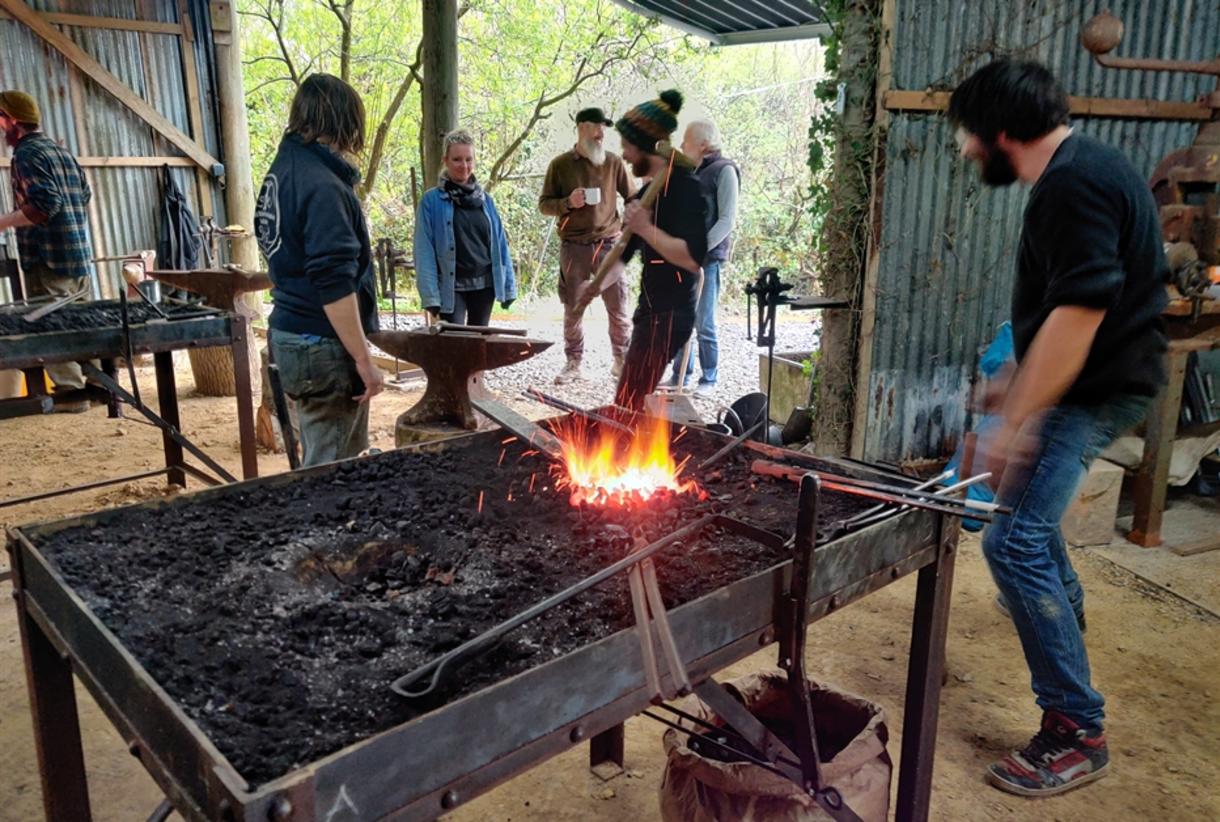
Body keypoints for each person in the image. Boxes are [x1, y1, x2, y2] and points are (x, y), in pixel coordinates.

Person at [949, 59, 1167, 798]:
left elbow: (1081, 315)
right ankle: (1062, 627)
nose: (966, 150)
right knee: (1027, 535)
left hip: (1095, 392)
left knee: (1010, 539)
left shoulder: (1072, 185)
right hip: (1092, 381)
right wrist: (1016, 379)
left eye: (969, 137)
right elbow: (1068, 308)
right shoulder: (1084, 169)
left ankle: (1076, 731)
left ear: (1002, 132)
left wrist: (1011, 425)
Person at [255, 73, 383, 467]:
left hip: (291, 333)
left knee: (320, 454)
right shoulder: (323, 185)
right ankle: (323, 527)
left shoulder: (282, 171)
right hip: (321, 344)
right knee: (332, 469)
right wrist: (363, 359)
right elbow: (333, 284)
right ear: (343, 122)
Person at [578, 90, 708, 411]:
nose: (623, 155)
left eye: (627, 146)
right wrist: (593, 286)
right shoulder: (646, 193)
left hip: (671, 314)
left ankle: (627, 455)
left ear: (648, 146)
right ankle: (633, 451)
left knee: (628, 401)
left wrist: (645, 228)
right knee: (630, 399)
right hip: (649, 312)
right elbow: (622, 258)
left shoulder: (687, 188)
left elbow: (692, 257)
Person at [0, 90, 95, 411]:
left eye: (1, 121)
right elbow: (83, 194)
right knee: (82, 320)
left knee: (52, 321)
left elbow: (45, 205)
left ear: (13, 120)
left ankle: (72, 393)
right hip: (77, 252)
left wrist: (2, 223)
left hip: (49, 257)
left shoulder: (26, 155)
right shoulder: (59, 150)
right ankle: (97, 385)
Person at [539, 107, 636, 384]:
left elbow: (632, 198)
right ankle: (573, 363)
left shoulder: (614, 163)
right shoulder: (560, 165)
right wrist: (568, 202)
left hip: (609, 245)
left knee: (618, 307)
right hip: (574, 247)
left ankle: (621, 361)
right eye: (597, 126)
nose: (602, 133)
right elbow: (544, 205)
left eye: (604, 128)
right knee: (573, 308)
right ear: (582, 127)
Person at [415, 129, 516, 327]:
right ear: (445, 160)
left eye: (469, 159)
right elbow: (423, 250)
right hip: (451, 287)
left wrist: (508, 287)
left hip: (484, 285)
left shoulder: (486, 201)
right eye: (457, 159)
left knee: (478, 344)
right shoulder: (431, 201)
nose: (464, 166)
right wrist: (430, 297)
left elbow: (501, 245)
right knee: (455, 345)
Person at [668, 118, 739, 395]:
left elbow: (726, 221)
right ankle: (680, 375)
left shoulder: (725, 171)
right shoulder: (690, 172)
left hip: (707, 261)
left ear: (703, 145)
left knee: (704, 320)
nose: (682, 146)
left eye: (686, 142)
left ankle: (709, 378)